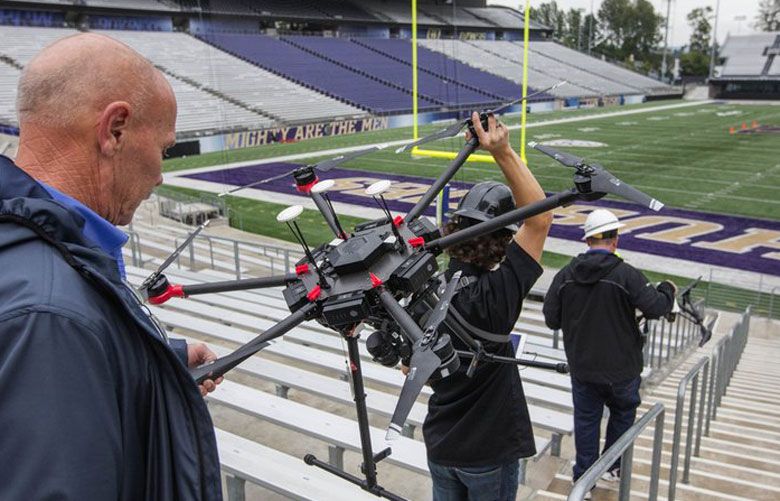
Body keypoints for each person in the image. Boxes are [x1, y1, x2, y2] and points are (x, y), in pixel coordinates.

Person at [0, 33, 223, 499]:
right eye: (164, 148)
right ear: (114, 130)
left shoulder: (39, 259)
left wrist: (159, 362)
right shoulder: (50, 316)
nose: (161, 174)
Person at [419, 112, 553, 501]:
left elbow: (413, 366)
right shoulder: (495, 296)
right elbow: (540, 219)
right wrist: (504, 151)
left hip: (441, 444)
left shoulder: (428, 289)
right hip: (486, 451)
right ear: (501, 241)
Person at [542, 208, 675, 488]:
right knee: (622, 417)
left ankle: (584, 479)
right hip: (623, 369)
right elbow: (656, 307)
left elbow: (552, 319)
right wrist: (668, 290)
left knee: (587, 422)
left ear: (587, 241)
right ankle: (613, 468)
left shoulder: (565, 275)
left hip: (584, 369)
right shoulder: (627, 275)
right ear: (615, 240)